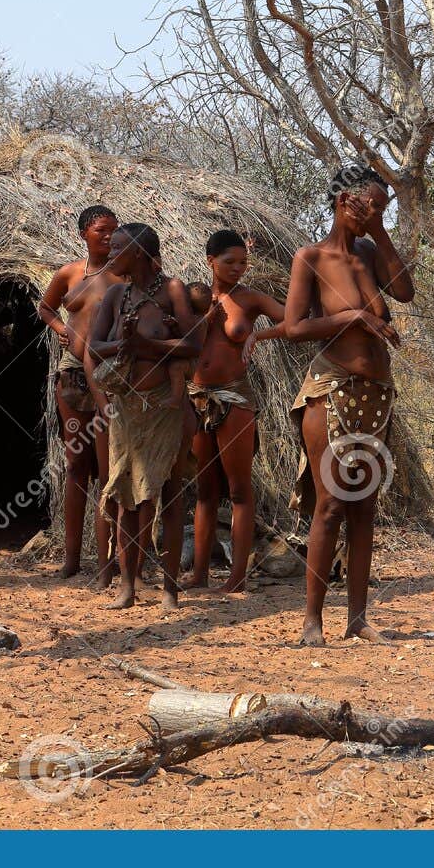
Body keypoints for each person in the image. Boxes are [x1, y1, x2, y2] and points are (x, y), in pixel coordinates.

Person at [284, 163, 414, 646]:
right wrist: (356, 316)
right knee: (332, 504)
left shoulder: (368, 250)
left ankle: (357, 618)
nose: (378, 214)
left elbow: (404, 291)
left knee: (365, 507)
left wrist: (379, 230)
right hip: (331, 388)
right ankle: (312, 622)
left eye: (384, 208)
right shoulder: (312, 257)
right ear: (344, 202)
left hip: (376, 392)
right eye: (372, 206)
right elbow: (296, 328)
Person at [88, 223, 201, 611]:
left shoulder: (172, 291)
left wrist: (147, 345)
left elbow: (193, 344)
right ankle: (127, 588)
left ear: (138, 253)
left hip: (164, 408)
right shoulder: (116, 294)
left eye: (117, 248)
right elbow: (95, 347)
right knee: (124, 497)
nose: (109, 253)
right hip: (126, 409)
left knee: (169, 494)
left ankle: (169, 589)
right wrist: (127, 344)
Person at [186, 230, 286, 596]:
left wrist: (259, 336)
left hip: (235, 398)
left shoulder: (251, 299)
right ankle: (198, 574)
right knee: (204, 490)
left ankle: (237, 576)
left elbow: (295, 320)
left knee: (240, 490)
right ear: (211, 260)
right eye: (230, 262)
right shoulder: (192, 297)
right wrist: (200, 320)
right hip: (196, 397)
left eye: (243, 262)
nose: (238, 269)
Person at [36, 204, 123, 582]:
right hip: (73, 374)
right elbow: (44, 306)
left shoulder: (124, 273)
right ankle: (72, 559)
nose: (108, 237)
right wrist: (61, 328)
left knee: (108, 469)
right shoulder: (69, 273)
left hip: (110, 375)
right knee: (75, 465)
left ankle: (109, 561)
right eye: (101, 230)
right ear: (84, 232)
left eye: (113, 231)